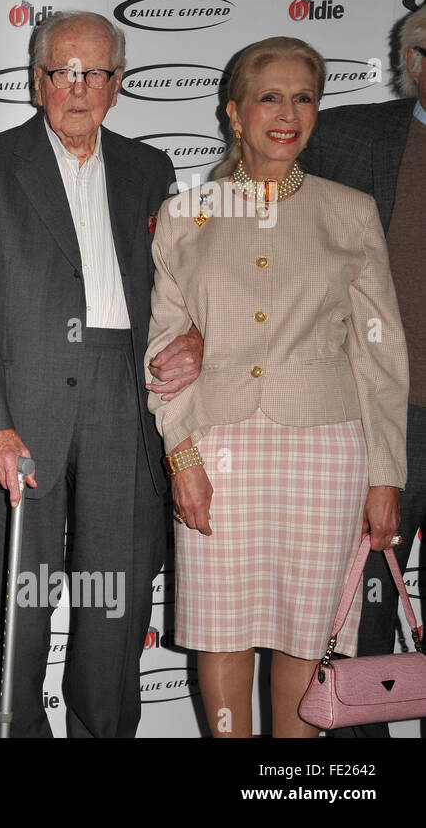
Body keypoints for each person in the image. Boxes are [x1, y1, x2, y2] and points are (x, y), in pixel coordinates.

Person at [0, 11, 202, 738]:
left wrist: (195, 337)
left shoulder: (150, 169)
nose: (79, 86)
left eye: (96, 72)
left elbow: (185, 286)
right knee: (16, 617)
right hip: (19, 409)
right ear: (37, 82)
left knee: (115, 610)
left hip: (126, 400)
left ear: (118, 86)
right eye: (63, 70)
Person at [147, 36, 408, 737]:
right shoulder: (187, 215)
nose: (287, 113)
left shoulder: (350, 211)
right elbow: (161, 354)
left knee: (304, 636)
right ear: (235, 113)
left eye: (304, 98)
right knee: (220, 631)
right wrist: (182, 456)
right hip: (217, 448)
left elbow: (378, 353)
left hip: (326, 450)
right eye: (270, 97)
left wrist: (386, 473)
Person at [301, 5, 426, 738]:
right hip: (386, 417)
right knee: (365, 611)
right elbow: (264, 207)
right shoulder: (347, 139)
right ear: (413, 64)